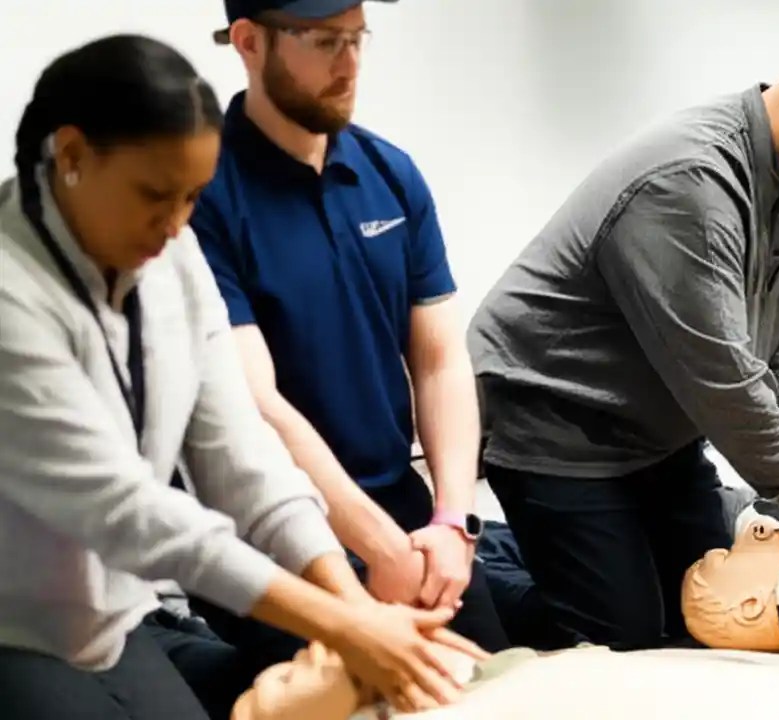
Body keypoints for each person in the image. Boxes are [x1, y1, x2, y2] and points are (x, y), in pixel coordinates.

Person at [0, 34, 484, 720]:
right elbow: (127, 511)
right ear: (73, 155)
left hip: (108, 609)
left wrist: (357, 609)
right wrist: (347, 626)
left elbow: (243, 457)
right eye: (154, 195)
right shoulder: (11, 293)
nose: (174, 226)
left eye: (193, 198)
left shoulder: (173, 258)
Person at [468, 26, 779, 650]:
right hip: (557, 424)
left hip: (654, 431)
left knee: (704, 612)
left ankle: (552, 554)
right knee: (624, 643)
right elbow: (721, 375)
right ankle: (465, 579)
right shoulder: (689, 182)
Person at [190, 0, 511, 664]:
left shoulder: (390, 175)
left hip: (408, 514)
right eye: (324, 41)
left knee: (499, 683)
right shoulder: (200, 198)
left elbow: (440, 361)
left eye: (358, 38)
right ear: (249, 42)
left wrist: (452, 522)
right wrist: (376, 548)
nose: (350, 63)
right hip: (274, 538)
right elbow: (258, 406)